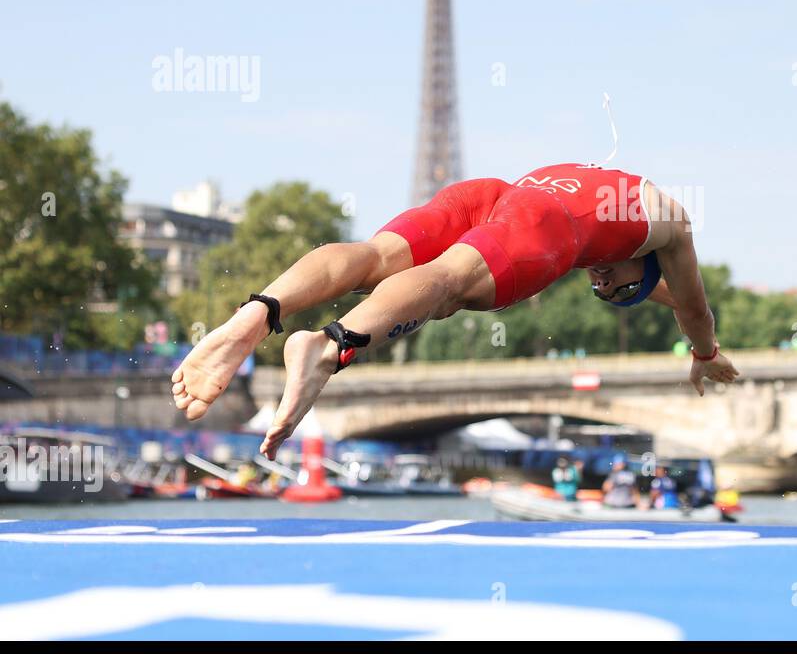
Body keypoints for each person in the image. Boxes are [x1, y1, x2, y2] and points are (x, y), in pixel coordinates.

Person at [172, 163, 739, 459]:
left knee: (377, 257)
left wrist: (647, 295)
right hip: (540, 220)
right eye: (617, 287)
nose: (601, 282)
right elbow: (693, 304)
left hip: (496, 194)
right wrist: (705, 352)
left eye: (603, 290)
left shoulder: (610, 224)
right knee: (448, 284)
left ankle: (259, 311)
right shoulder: (671, 226)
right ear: (649, 263)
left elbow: (659, 292)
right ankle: (329, 344)